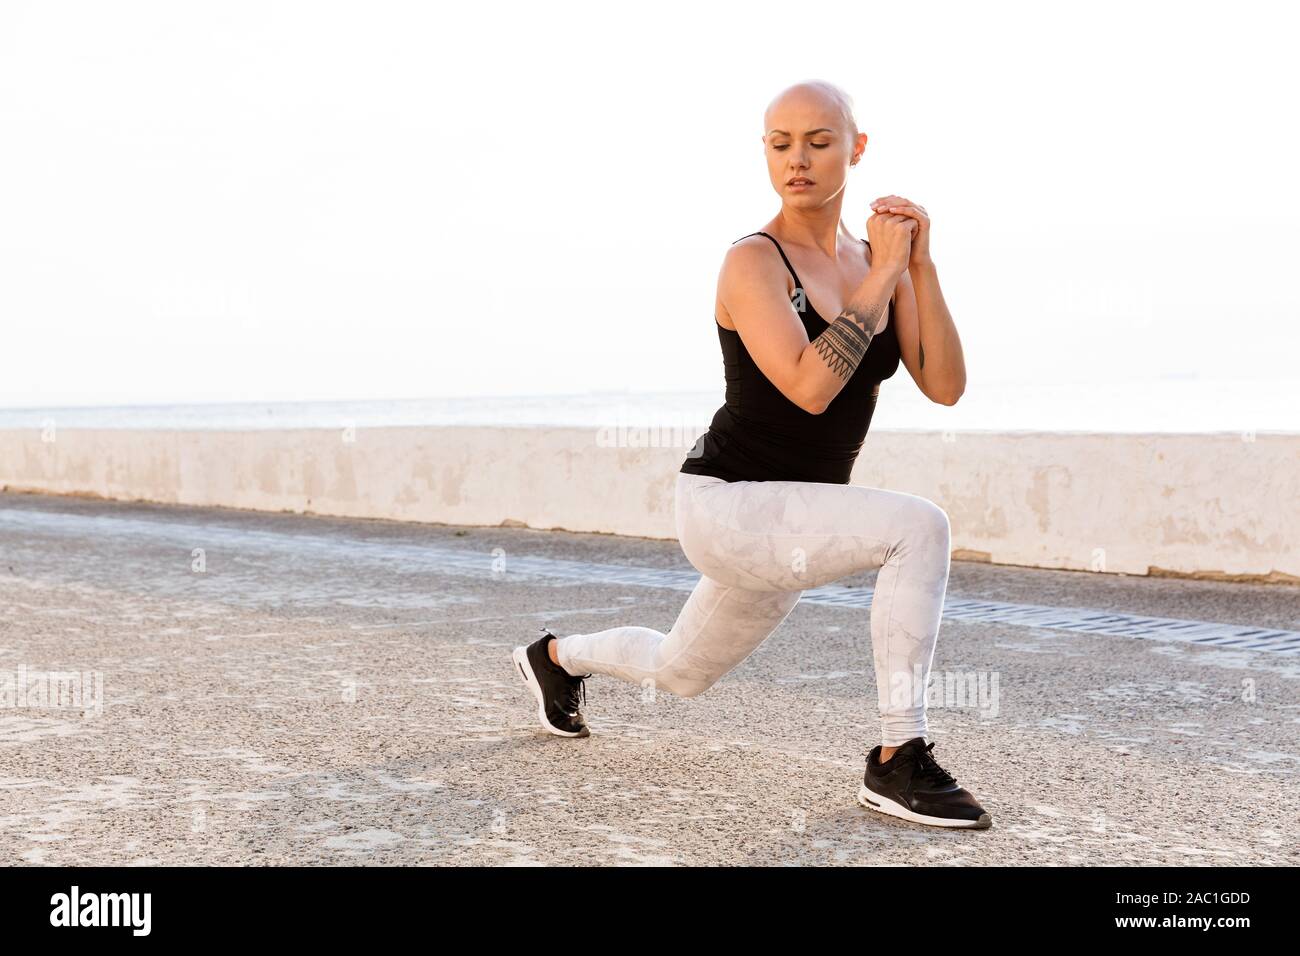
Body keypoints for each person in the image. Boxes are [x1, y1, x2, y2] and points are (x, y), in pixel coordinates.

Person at [512, 79, 989, 829]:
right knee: (918, 526)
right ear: (765, 152)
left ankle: (555, 657)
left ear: (856, 149)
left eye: (819, 142)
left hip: (792, 521)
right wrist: (887, 274)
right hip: (727, 503)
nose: (797, 159)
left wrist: (918, 265)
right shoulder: (754, 262)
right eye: (780, 144)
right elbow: (808, 388)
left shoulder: (878, 263)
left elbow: (947, 385)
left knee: (682, 670)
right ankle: (899, 759)